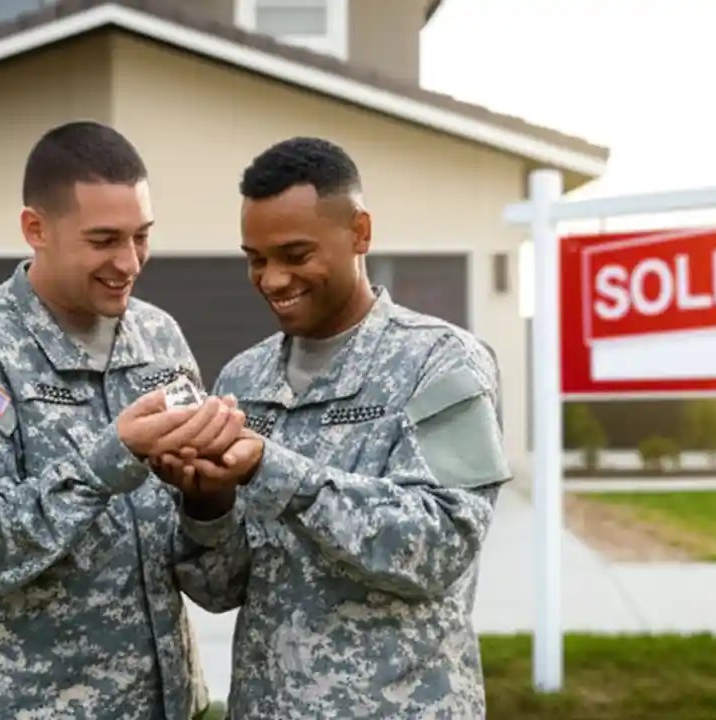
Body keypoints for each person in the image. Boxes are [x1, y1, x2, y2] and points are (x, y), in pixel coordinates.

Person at [0, 120, 246, 719]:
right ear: (36, 229)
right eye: (103, 240)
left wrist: (208, 500)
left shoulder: (159, 339)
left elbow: (211, 579)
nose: (129, 262)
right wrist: (113, 460)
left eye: (141, 237)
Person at [161, 136, 512, 717]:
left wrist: (273, 470)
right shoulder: (243, 378)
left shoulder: (443, 365)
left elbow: (441, 548)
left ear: (360, 233)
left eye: (295, 255)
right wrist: (208, 506)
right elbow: (219, 589)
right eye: (255, 258)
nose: (272, 280)